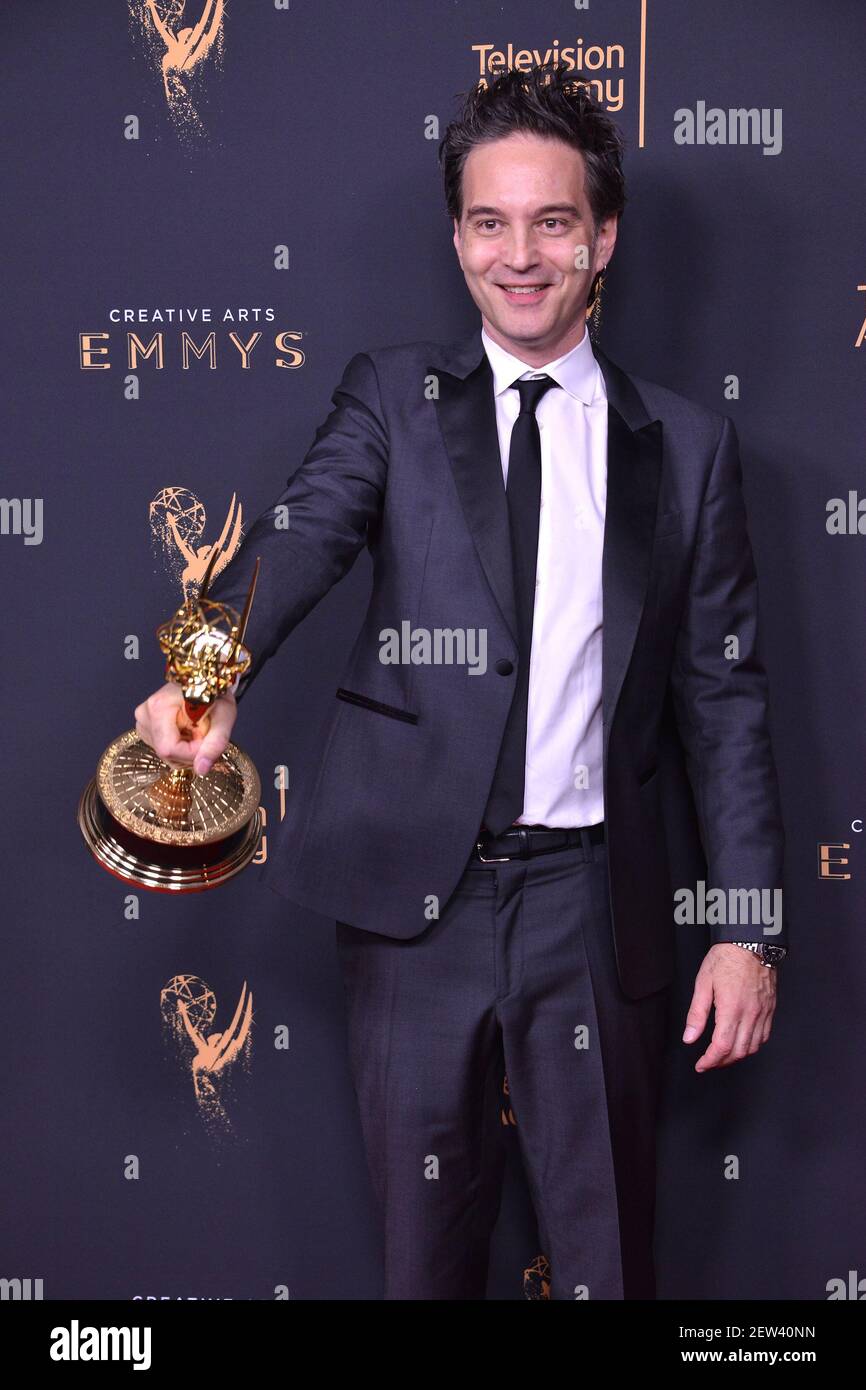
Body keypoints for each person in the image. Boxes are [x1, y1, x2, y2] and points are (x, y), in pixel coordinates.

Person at [133, 65, 787, 1300]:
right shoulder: (390, 396)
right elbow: (299, 540)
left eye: (551, 222)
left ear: (602, 238)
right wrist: (201, 672)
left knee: (604, 1262)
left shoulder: (688, 449)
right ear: (454, 237)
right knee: (421, 1268)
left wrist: (748, 926)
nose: (518, 255)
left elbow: (724, 699)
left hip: (595, 906)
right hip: (410, 907)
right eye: (489, 222)